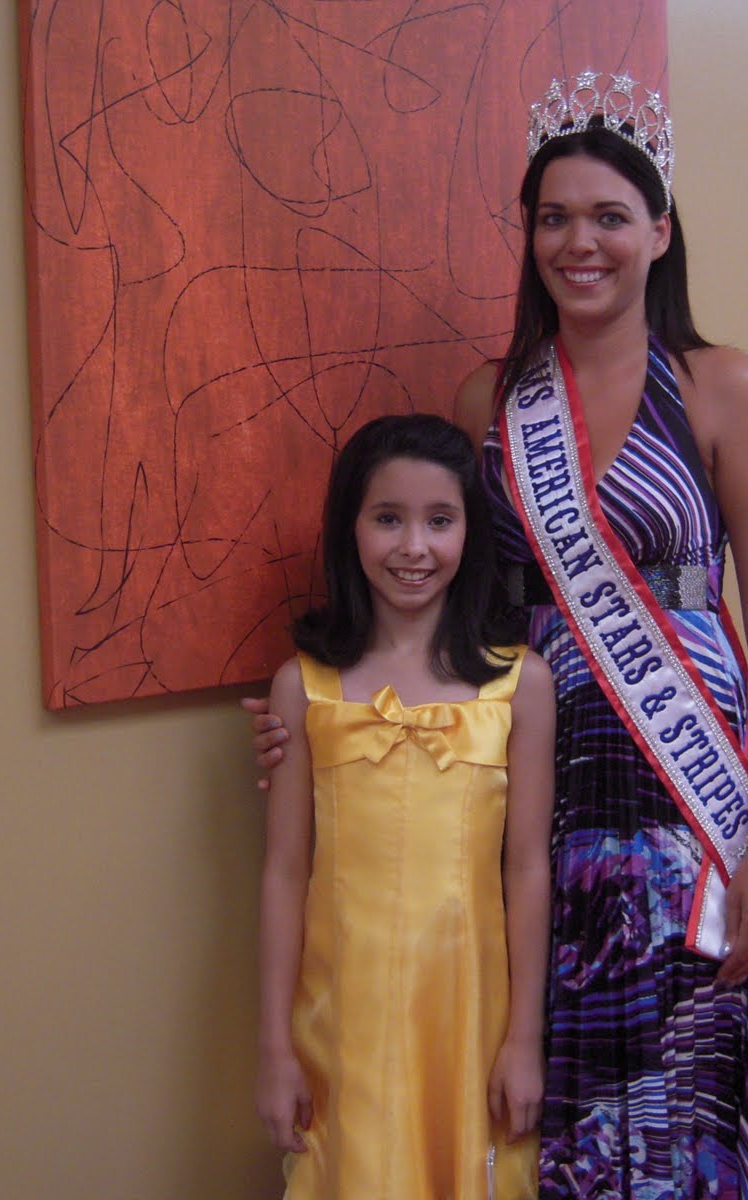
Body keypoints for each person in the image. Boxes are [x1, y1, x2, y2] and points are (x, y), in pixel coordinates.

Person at [251, 72, 748, 1198]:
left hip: (683, 801)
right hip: (537, 807)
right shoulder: (489, 402)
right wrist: (314, 724)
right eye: (552, 217)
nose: (579, 242)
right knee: (560, 1111)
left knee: (688, 1092)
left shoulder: (723, 388)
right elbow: (451, 613)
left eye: (609, 215)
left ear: (660, 230)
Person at [255, 414, 555, 1199]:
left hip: (468, 1010)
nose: (413, 547)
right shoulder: (304, 687)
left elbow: (526, 867)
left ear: (470, 531)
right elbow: (286, 873)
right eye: (388, 518)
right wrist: (275, 1048)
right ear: (349, 526)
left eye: (439, 520)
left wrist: (524, 1038)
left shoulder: (517, 686)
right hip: (343, 1014)